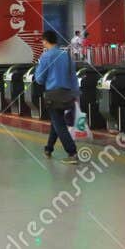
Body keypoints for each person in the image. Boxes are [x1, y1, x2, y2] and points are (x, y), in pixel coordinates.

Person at [33, 29, 80, 163]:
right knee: (57, 120)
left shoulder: (46, 57)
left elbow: (40, 79)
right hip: (68, 93)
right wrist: (75, 93)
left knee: (59, 123)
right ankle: (48, 148)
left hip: (53, 94)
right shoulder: (66, 55)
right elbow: (73, 76)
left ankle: (72, 153)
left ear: (45, 41)